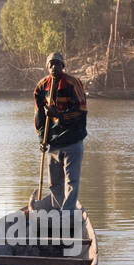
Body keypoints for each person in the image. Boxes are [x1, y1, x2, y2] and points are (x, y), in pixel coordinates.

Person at [32, 52, 87, 212]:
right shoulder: (42, 87)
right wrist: (42, 139)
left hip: (73, 139)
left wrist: (59, 115)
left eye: (58, 64)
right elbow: (39, 116)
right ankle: (56, 213)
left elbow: (81, 110)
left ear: (63, 66)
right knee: (54, 182)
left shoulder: (72, 83)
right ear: (47, 67)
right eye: (51, 64)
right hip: (54, 143)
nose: (55, 67)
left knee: (71, 181)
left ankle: (68, 216)